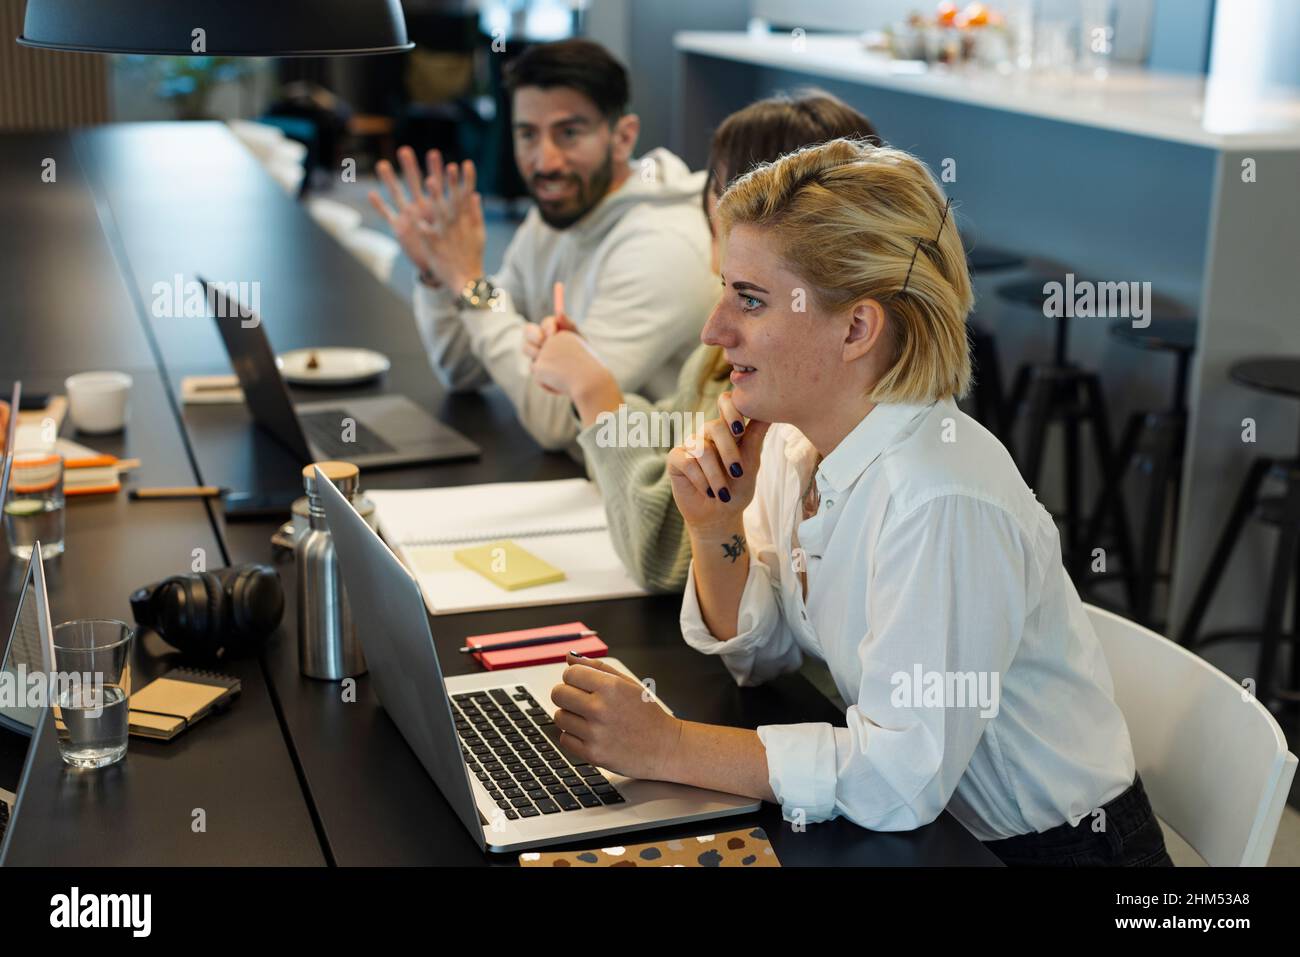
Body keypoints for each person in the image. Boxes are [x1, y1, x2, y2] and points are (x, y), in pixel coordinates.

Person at [548, 139, 1173, 867]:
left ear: (856, 328)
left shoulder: (940, 499)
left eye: (749, 299)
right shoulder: (794, 442)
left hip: (1044, 855)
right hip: (934, 832)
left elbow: (897, 778)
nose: (713, 330)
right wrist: (716, 526)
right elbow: (768, 653)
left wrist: (669, 745)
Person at [524, 91, 879, 594]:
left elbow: (667, 553)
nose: (714, 328)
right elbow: (675, 425)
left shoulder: (787, 374)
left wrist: (594, 392)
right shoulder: (730, 348)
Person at [368, 39, 717, 451]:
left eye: (569, 133)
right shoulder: (558, 212)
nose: (545, 162)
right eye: (528, 135)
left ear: (623, 138)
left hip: (656, 495)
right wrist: (437, 273)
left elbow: (560, 420)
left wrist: (469, 283)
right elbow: (462, 368)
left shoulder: (663, 247)